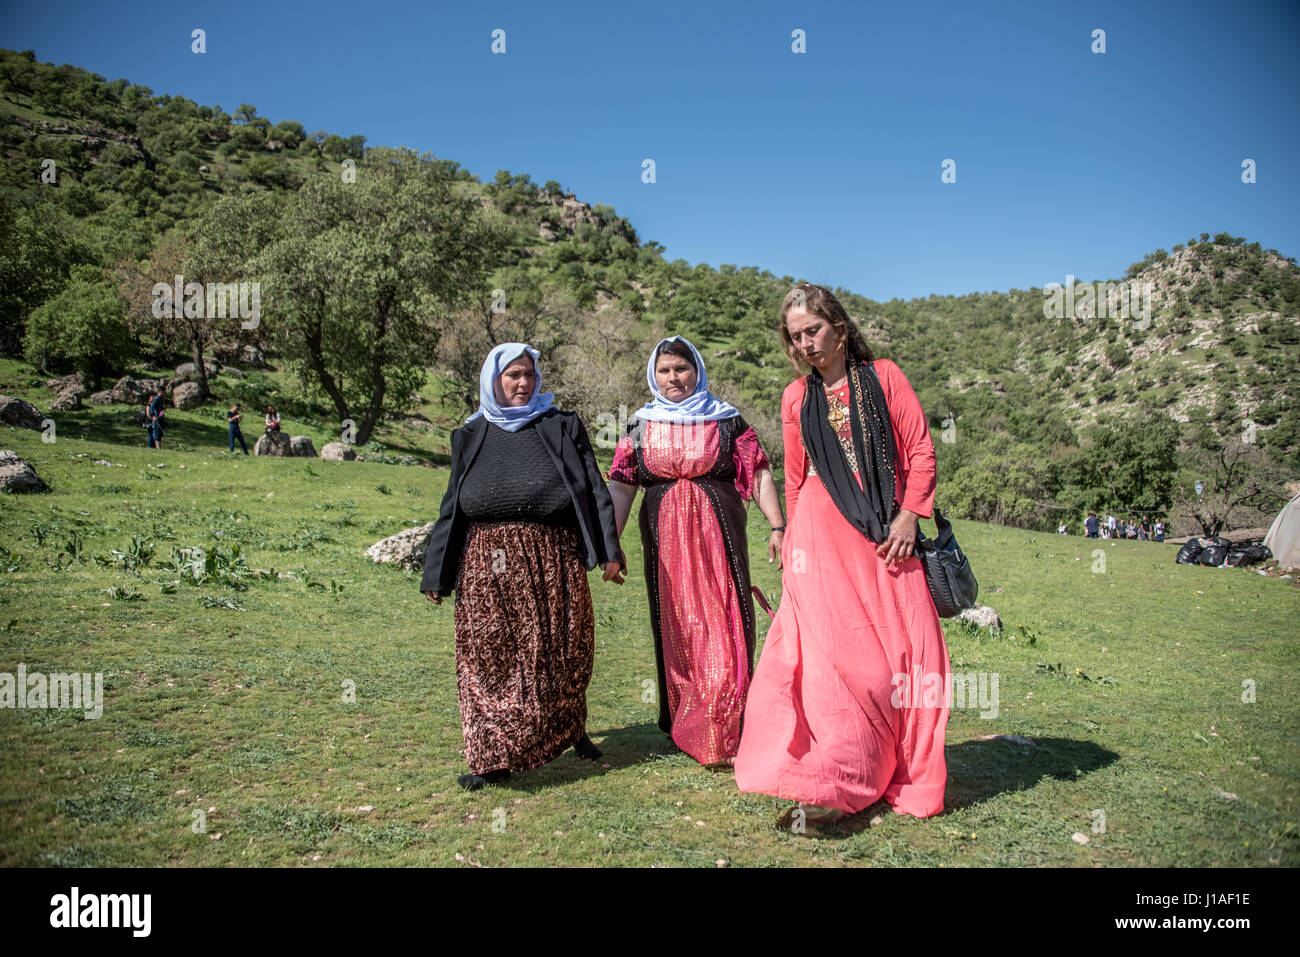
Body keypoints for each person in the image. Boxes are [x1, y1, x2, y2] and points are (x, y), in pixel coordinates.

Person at [735, 284, 949, 826]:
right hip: (817, 541)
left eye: (814, 330)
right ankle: (839, 777)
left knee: (902, 657)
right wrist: (786, 532)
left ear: (840, 327)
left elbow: (921, 450)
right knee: (830, 662)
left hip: (883, 536)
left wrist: (909, 515)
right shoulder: (794, 398)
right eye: (796, 336)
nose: (806, 343)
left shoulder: (884, 377)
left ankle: (900, 768)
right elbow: (795, 473)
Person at [420, 343, 625, 790]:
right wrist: (436, 572)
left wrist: (610, 552)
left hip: (553, 554)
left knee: (562, 652)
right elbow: (453, 505)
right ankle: (491, 757)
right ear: (493, 379)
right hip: (485, 562)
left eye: (529, 375)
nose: (522, 383)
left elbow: (593, 489)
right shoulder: (471, 434)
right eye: (513, 374)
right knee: (488, 656)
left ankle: (569, 727)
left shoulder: (561, 425)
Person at [607, 336, 784, 768]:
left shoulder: (727, 421)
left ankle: (726, 724)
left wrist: (778, 525)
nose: (673, 378)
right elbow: (622, 485)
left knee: (724, 625)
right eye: (665, 370)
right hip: (665, 544)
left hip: (719, 536)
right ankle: (690, 719)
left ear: (697, 371)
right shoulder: (641, 425)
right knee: (679, 628)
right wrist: (611, 543)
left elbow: (756, 472)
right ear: (654, 375)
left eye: (681, 369)